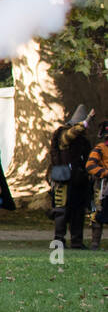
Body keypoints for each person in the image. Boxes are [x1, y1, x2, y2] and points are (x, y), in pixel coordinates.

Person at [50, 105, 93, 248]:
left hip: (79, 180)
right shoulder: (63, 135)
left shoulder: (83, 142)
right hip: (63, 179)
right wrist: (86, 120)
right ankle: (58, 240)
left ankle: (77, 241)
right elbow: (71, 134)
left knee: (78, 212)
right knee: (61, 211)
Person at [85, 121, 108, 250]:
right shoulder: (99, 148)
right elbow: (90, 166)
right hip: (102, 187)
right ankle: (95, 243)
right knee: (97, 214)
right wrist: (105, 173)